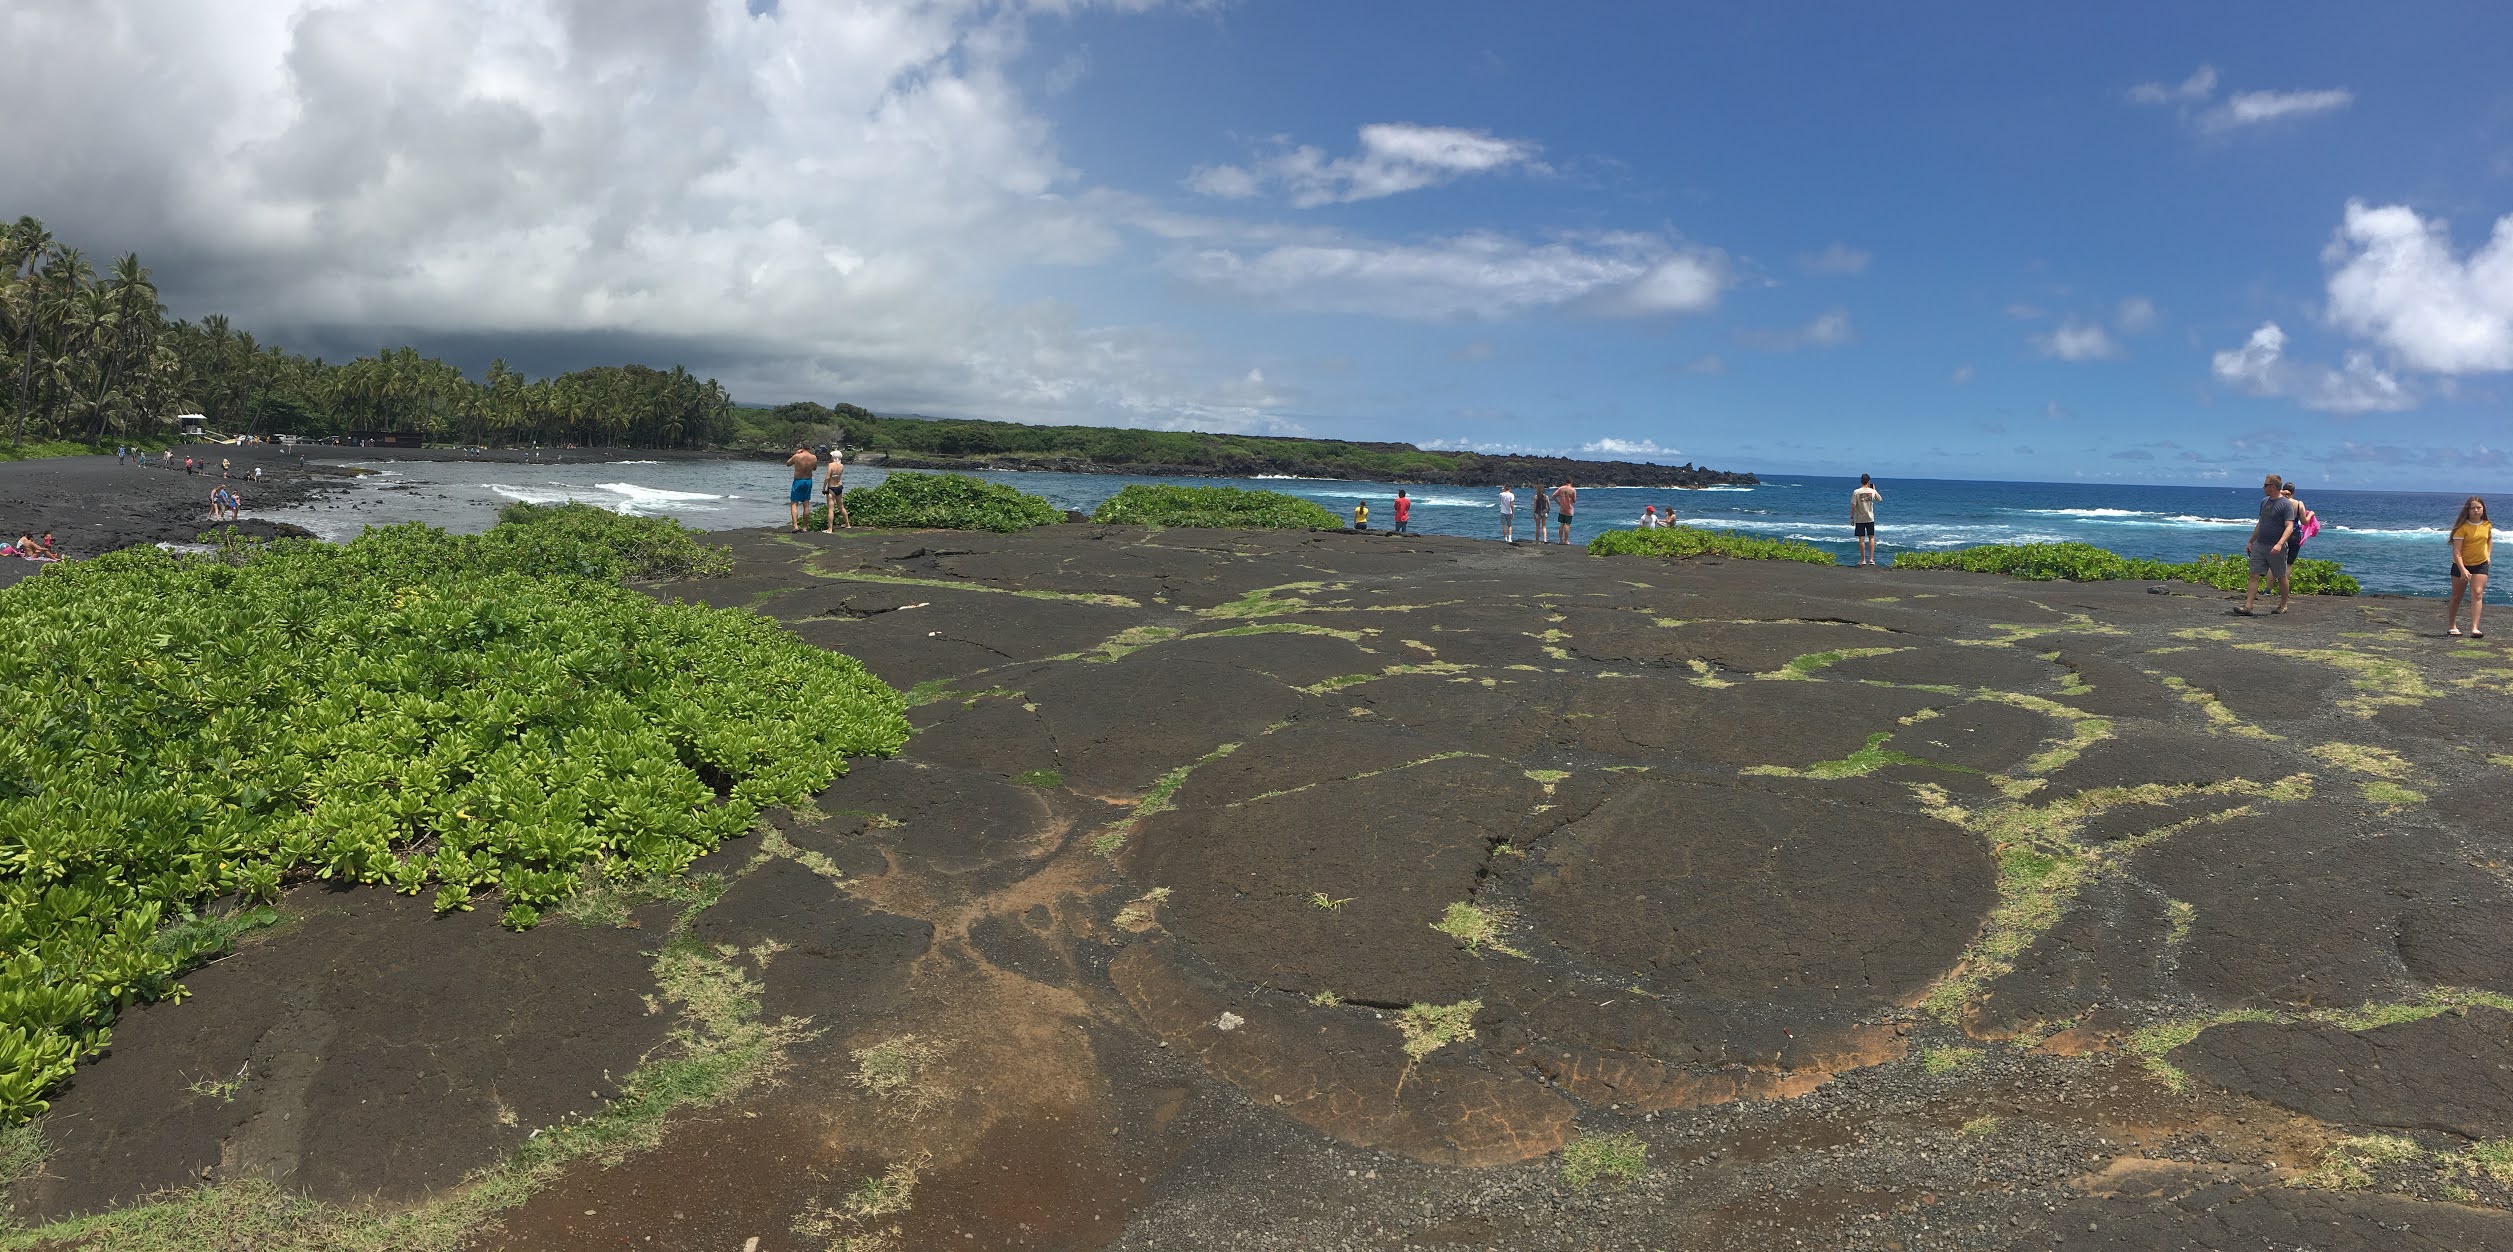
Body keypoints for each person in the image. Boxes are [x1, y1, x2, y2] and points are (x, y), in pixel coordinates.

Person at [2241, 473, 2298, 617]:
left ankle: (2283, 605)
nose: (2263, 487)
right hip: (2260, 544)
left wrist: (2280, 544)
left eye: (2265, 485)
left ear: (2272, 487)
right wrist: (2251, 541)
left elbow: (2289, 526)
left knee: (2281, 576)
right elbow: (2261, 523)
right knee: (2253, 574)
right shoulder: (2264, 501)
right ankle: (2248, 606)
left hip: (2276, 546)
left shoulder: (2285, 504)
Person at [2448, 496, 2491, 638]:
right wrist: (2462, 569)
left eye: (2479, 507)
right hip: (2461, 565)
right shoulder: (2462, 528)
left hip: (2480, 564)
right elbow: (2457, 551)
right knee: (2457, 596)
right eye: (2473, 508)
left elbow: (2489, 540)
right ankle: (2452, 625)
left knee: (2477, 593)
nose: (2476, 510)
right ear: (2468, 510)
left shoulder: (2487, 525)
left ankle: (2474, 628)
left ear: (2483, 509)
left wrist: (2488, 555)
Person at [784, 442, 819, 531]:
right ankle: (805, 527)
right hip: (808, 480)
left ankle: (795, 526)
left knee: (794, 503)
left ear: (802, 447)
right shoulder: (813, 457)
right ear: (810, 447)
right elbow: (814, 468)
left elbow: (788, 463)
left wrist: (796, 454)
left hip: (798, 480)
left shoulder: (797, 456)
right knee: (806, 504)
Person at [2281, 482, 2316, 565]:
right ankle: (2285, 578)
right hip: (2294, 534)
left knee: (2276, 562)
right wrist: (2311, 514)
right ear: (2293, 492)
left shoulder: (2277, 502)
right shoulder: (2299, 504)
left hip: (2280, 533)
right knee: (2289, 563)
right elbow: (2304, 522)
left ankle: (2271, 578)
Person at [1850, 474, 1882, 566]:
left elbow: (1853, 505)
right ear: (1869, 481)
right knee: (1871, 537)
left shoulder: (1856, 492)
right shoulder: (1872, 491)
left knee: (1861, 539)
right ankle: (1871, 559)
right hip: (1870, 518)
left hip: (1860, 519)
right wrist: (1874, 490)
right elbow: (1880, 500)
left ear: (1861, 481)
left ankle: (1863, 559)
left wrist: (1852, 517)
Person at [822, 446, 851, 531]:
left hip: (831, 488)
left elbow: (827, 477)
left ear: (834, 457)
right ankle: (847, 524)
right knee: (841, 507)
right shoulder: (841, 465)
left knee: (831, 509)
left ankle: (830, 529)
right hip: (839, 487)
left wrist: (824, 488)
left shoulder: (830, 465)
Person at [1552, 479, 1576, 544]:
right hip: (1569, 509)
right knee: (1567, 525)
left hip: (1562, 509)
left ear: (1565, 482)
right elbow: (1574, 500)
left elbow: (1553, 496)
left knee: (1561, 524)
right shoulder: (1572, 490)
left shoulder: (1561, 488)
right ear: (1571, 482)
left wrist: (1559, 503)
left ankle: (1560, 540)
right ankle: (1566, 540)